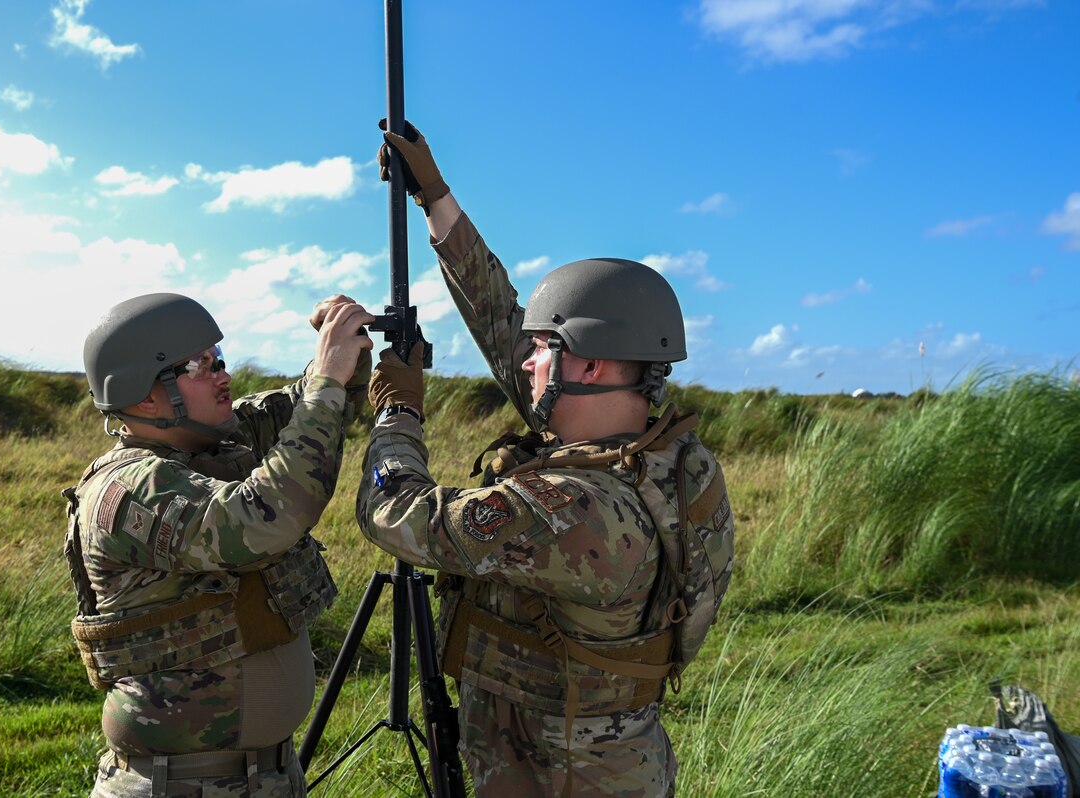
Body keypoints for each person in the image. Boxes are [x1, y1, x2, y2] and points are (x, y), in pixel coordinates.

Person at [356, 123, 734, 797]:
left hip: (552, 772)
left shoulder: (575, 510)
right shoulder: (664, 451)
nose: (524, 361)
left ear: (588, 364)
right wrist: (436, 199)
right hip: (613, 756)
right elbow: (507, 327)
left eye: (543, 349)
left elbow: (396, 514)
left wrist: (398, 413)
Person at [64, 292, 374, 798]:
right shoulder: (129, 491)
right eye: (198, 366)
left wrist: (346, 348)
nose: (223, 376)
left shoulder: (218, 441)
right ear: (144, 396)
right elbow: (265, 520)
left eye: (219, 361)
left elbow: (309, 408)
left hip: (264, 776)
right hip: (181, 785)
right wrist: (328, 379)